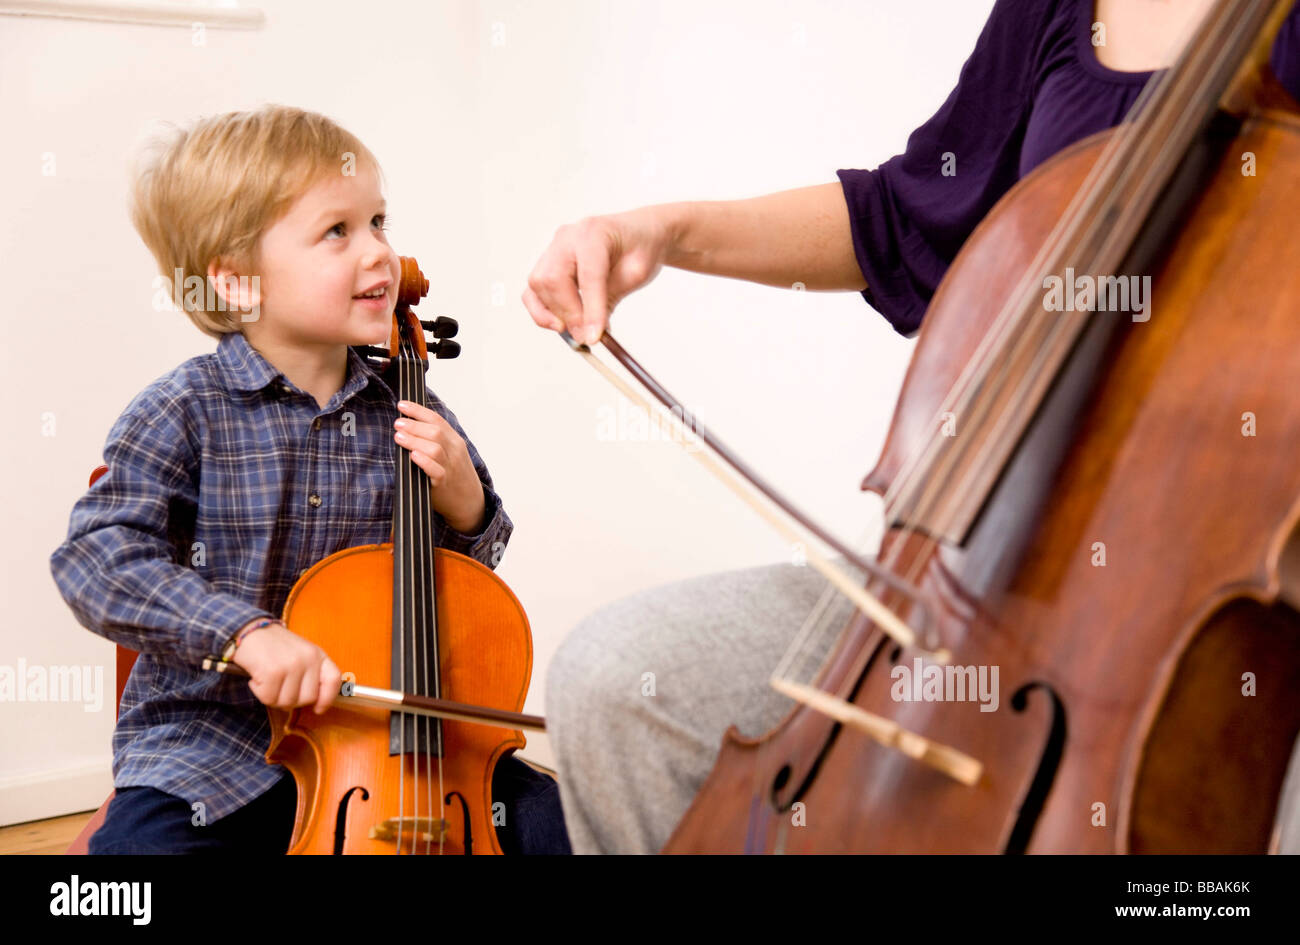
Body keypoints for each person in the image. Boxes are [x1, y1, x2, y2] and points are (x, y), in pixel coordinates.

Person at [523, 0, 1300, 853]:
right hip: (974, 552)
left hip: (1234, 591)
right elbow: (906, 215)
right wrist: (657, 232)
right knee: (618, 684)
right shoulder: (1052, 11)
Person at [50, 104, 569, 854]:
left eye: (380, 222)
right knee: (132, 864)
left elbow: (467, 580)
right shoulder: (183, 409)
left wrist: (467, 499)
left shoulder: (409, 401)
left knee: (555, 820)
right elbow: (97, 558)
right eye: (338, 232)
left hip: (397, 737)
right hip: (210, 746)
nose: (380, 255)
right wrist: (246, 636)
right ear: (235, 283)